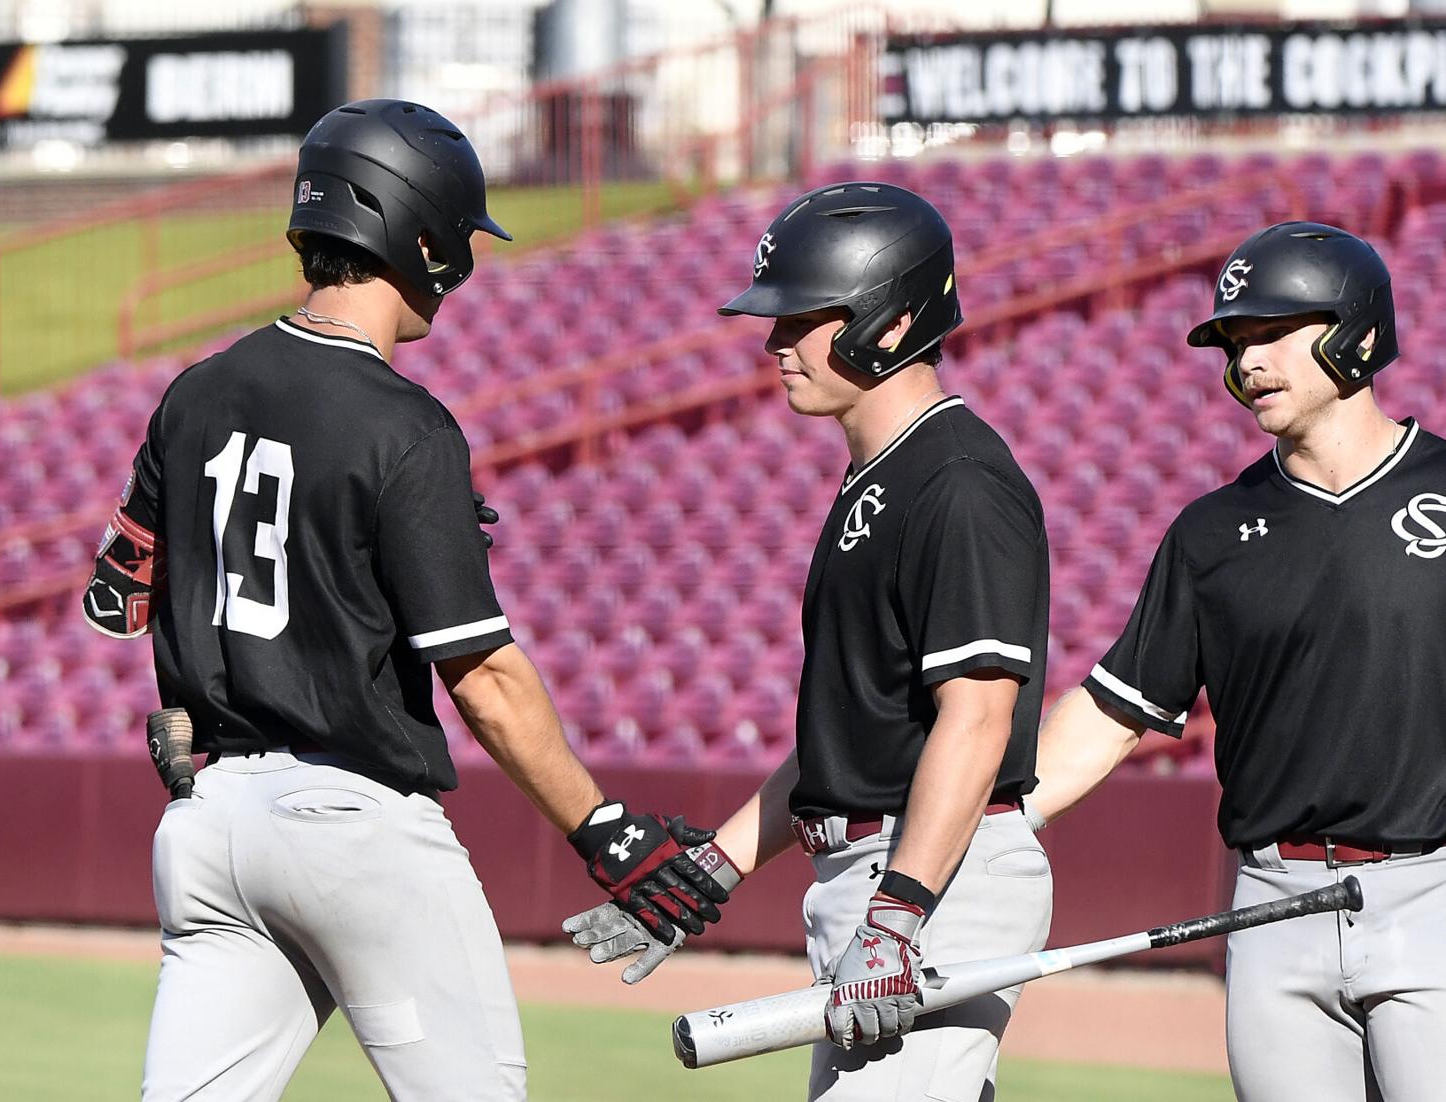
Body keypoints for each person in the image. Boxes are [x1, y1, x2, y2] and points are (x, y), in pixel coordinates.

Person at [82, 98, 727, 1102]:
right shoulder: (405, 428)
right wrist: (606, 830)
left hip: (208, 830)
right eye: (456, 235)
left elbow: (115, 600)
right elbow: (486, 682)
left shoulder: (193, 393)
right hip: (352, 823)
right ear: (415, 232)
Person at [565, 181, 1054, 1100]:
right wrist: (719, 864)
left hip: (931, 876)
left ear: (892, 321)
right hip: (874, 874)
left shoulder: (958, 484)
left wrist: (899, 914)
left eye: (802, 319)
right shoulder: (878, 476)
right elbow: (857, 735)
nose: (773, 343)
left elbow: (980, 718)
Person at [1026, 221, 1446, 1101]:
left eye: (1272, 334)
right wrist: (993, 822)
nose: (1247, 362)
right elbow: (1113, 710)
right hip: (1270, 900)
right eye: (1235, 341)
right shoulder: (1211, 533)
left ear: (1358, 333)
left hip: (1431, 890)